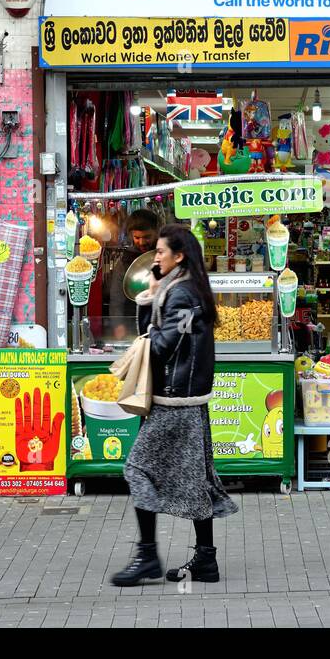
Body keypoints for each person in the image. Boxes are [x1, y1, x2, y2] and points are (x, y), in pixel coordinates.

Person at [109, 225, 238, 587]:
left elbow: (163, 345)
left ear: (179, 256)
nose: (156, 258)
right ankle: (206, 560)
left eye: (162, 252)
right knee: (196, 478)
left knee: (138, 469)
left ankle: (147, 555)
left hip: (175, 400)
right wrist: (152, 294)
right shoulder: (185, 288)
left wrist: (149, 306)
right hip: (185, 399)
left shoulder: (182, 295)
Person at [104, 208, 160, 340]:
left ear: (156, 232)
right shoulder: (125, 260)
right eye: (137, 237)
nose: (141, 242)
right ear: (130, 235)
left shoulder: (164, 254)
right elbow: (116, 298)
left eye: (147, 237)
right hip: (133, 321)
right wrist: (118, 325)